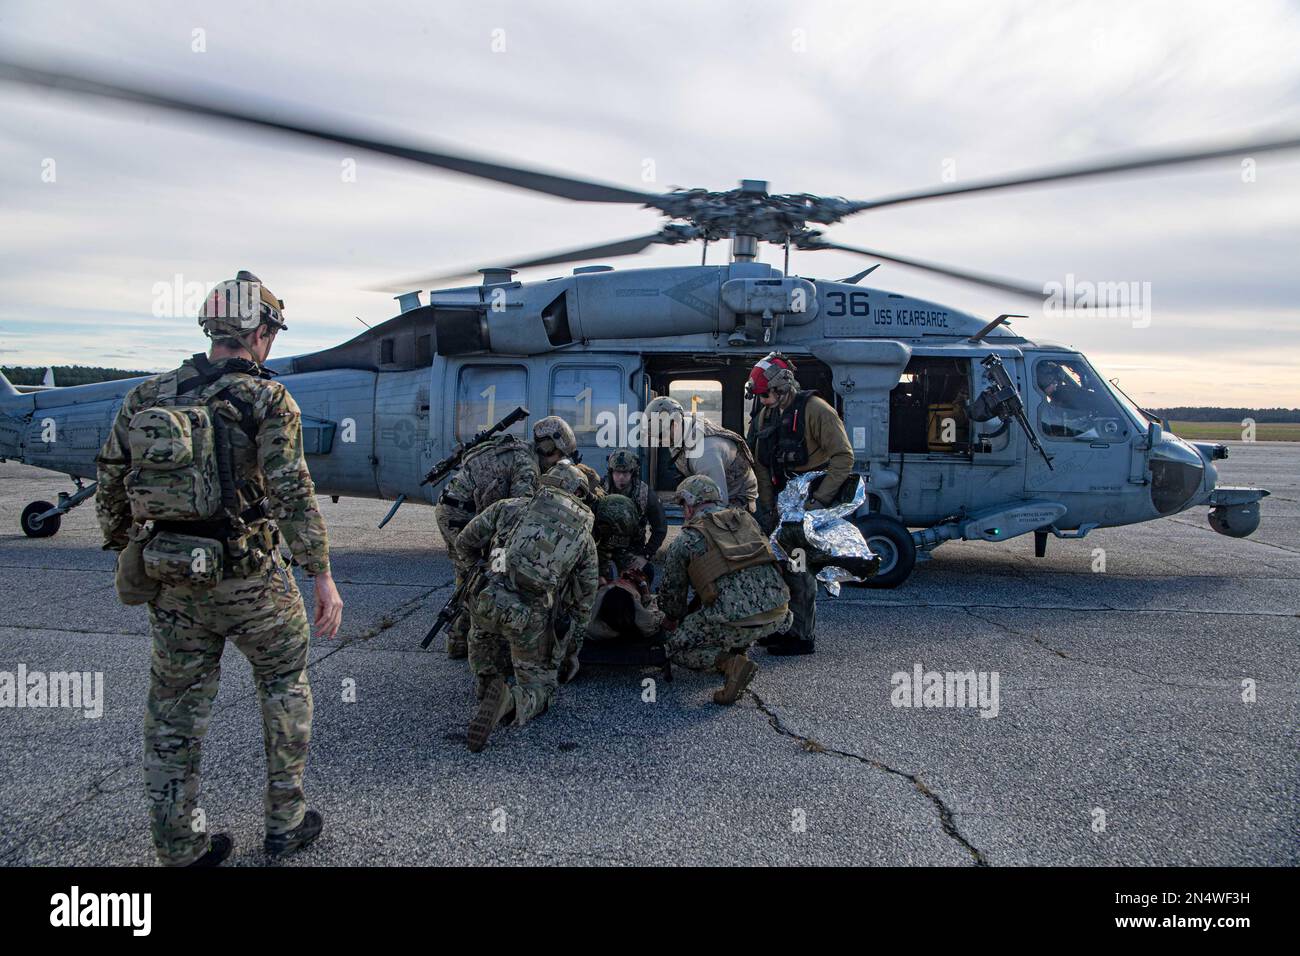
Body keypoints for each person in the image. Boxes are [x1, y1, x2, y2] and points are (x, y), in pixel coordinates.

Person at [95, 271, 343, 867]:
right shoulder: (268, 398)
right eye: (271, 335)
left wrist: (130, 547)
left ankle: (180, 847)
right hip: (253, 580)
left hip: (176, 584)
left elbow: (110, 482)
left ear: (213, 328)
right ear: (258, 333)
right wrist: (321, 573)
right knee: (284, 687)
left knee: (173, 717)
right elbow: (291, 491)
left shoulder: (149, 395)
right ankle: (284, 824)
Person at [455, 463, 599, 751]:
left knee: (486, 646)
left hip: (485, 603)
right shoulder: (582, 535)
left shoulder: (507, 507)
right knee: (540, 687)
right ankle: (511, 700)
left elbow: (463, 542)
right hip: (528, 617)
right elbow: (582, 603)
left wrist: (482, 571)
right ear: (577, 494)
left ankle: (487, 685)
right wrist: (569, 651)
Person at [746, 352, 854, 656]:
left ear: (783, 387)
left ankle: (801, 636)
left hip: (806, 505)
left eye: (766, 395)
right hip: (780, 504)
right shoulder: (767, 414)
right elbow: (763, 463)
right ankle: (782, 626)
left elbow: (843, 457)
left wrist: (817, 502)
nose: (763, 401)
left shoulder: (817, 411)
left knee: (799, 569)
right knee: (777, 569)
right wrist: (767, 507)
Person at [655, 476, 791, 705]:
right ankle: (740, 650)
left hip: (738, 621)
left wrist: (671, 619)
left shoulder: (686, 540)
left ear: (689, 505)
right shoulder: (746, 520)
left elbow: (672, 601)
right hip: (779, 614)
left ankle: (731, 664)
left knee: (676, 648)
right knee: (731, 604)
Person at [434, 433, 538, 659]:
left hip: (454, 510)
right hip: (461, 516)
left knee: (468, 575)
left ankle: (458, 642)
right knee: (478, 577)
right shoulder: (527, 465)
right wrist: (501, 557)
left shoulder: (513, 449)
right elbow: (517, 512)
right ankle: (468, 642)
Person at [643, 396, 758, 511]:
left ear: (674, 425)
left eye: (661, 436)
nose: (660, 441)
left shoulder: (704, 453)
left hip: (736, 498)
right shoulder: (682, 428)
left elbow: (718, 502)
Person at [586, 494, 663, 643]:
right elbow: (655, 617)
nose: (623, 579)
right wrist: (644, 589)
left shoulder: (590, 624)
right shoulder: (642, 619)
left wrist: (594, 585)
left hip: (606, 594)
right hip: (628, 599)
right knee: (644, 571)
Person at [600, 449, 667, 568]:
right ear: (611, 472)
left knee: (644, 575)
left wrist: (645, 555)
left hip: (631, 549)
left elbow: (660, 528)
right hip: (602, 549)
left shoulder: (644, 494)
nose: (621, 477)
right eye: (617, 472)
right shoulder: (600, 490)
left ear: (633, 472)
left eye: (625, 473)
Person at [532, 415, 603, 498]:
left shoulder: (557, 467)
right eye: (560, 454)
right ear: (546, 448)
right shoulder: (527, 465)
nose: (560, 460)